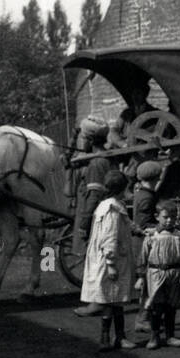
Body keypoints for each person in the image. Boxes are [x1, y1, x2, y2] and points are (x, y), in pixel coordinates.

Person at [80, 170, 137, 353]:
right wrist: (111, 265)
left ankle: (114, 337)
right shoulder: (112, 209)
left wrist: (137, 230)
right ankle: (110, 338)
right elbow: (109, 238)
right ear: (123, 188)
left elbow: (124, 225)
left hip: (106, 259)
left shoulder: (106, 204)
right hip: (111, 261)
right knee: (112, 300)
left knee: (113, 300)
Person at [136, 201, 180, 350]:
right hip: (155, 274)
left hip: (174, 274)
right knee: (157, 306)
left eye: (173, 217)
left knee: (171, 306)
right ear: (157, 217)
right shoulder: (152, 236)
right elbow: (143, 258)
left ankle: (170, 336)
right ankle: (154, 337)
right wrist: (141, 277)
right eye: (166, 217)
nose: (169, 220)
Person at [72, 122, 112, 318]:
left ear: (89, 140)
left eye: (83, 138)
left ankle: (96, 303)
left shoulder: (96, 164)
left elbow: (94, 195)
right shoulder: (101, 158)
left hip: (95, 216)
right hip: (100, 215)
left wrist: (83, 223)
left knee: (95, 259)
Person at [131, 159, 162, 337]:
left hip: (144, 244)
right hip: (145, 245)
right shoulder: (146, 198)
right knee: (149, 285)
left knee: (150, 284)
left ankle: (146, 317)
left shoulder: (142, 192)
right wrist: (161, 226)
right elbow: (143, 225)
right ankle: (142, 320)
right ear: (155, 177)